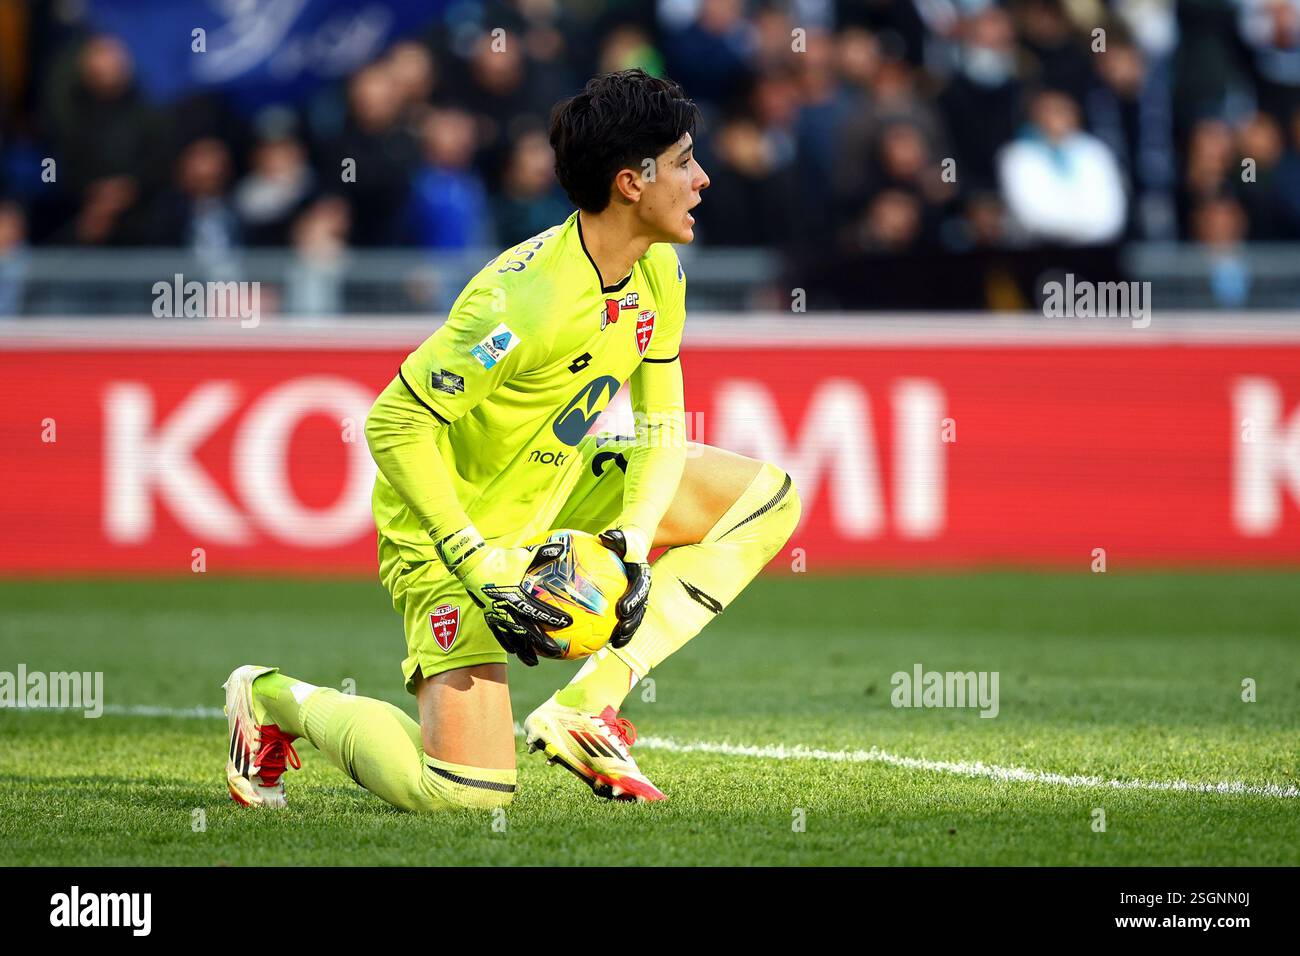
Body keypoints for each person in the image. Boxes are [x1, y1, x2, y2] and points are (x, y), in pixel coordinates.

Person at [222, 69, 801, 811]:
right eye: (686, 161)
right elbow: (393, 424)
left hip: (561, 483)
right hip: (450, 531)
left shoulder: (658, 269)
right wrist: (475, 559)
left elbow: (660, 427)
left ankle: (583, 710)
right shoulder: (518, 303)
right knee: (466, 797)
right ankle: (271, 699)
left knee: (767, 501)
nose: (703, 178)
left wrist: (628, 539)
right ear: (631, 182)